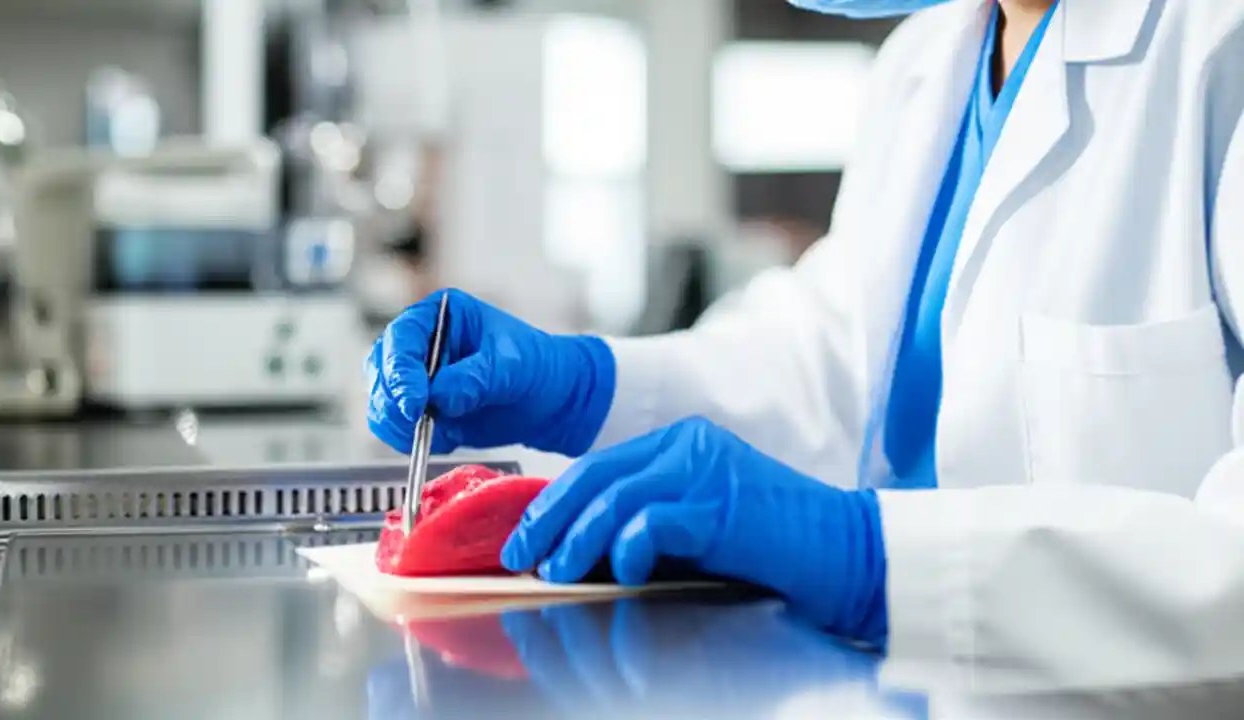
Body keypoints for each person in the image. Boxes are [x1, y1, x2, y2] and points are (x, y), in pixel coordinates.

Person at [367, 0, 1244, 681]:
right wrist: (589, 386)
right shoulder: (928, 59)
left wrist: (866, 557)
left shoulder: (1218, 48)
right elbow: (835, 363)